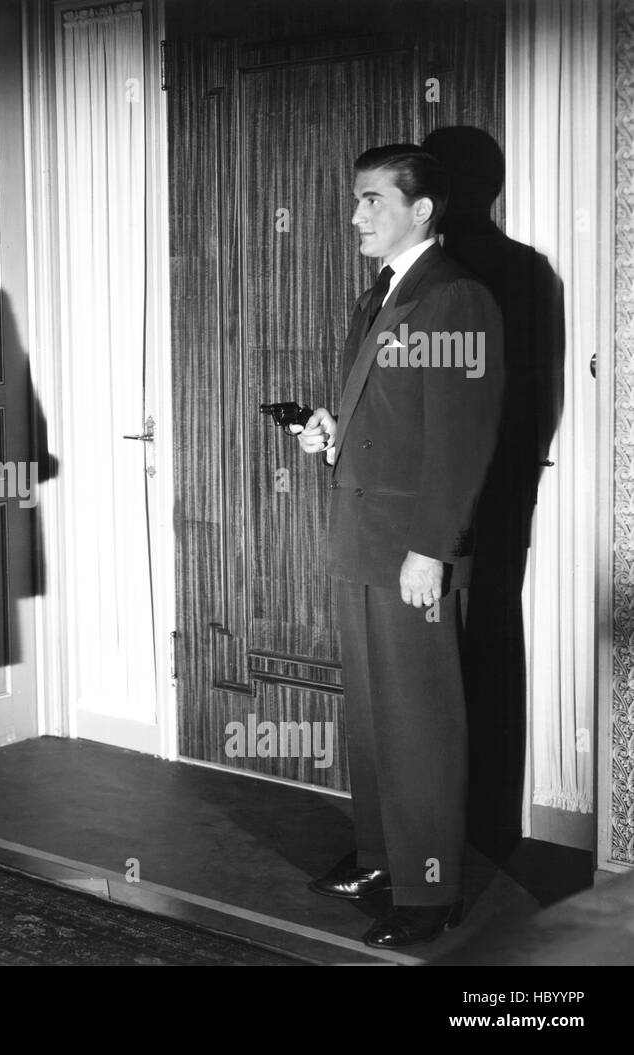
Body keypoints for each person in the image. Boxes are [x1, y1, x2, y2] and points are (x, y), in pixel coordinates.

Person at [293, 145, 504, 949]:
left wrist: (432, 548)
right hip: (362, 539)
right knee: (378, 719)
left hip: (414, 549)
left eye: (372, 201)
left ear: (423, 210)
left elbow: (462, 438)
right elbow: (392, 416)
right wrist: (331, 432)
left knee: (420, 721)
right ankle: (383, 858)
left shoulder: (455, 298)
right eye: (356, 200)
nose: (356, 217)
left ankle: (430, 891)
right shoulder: (381, 296)